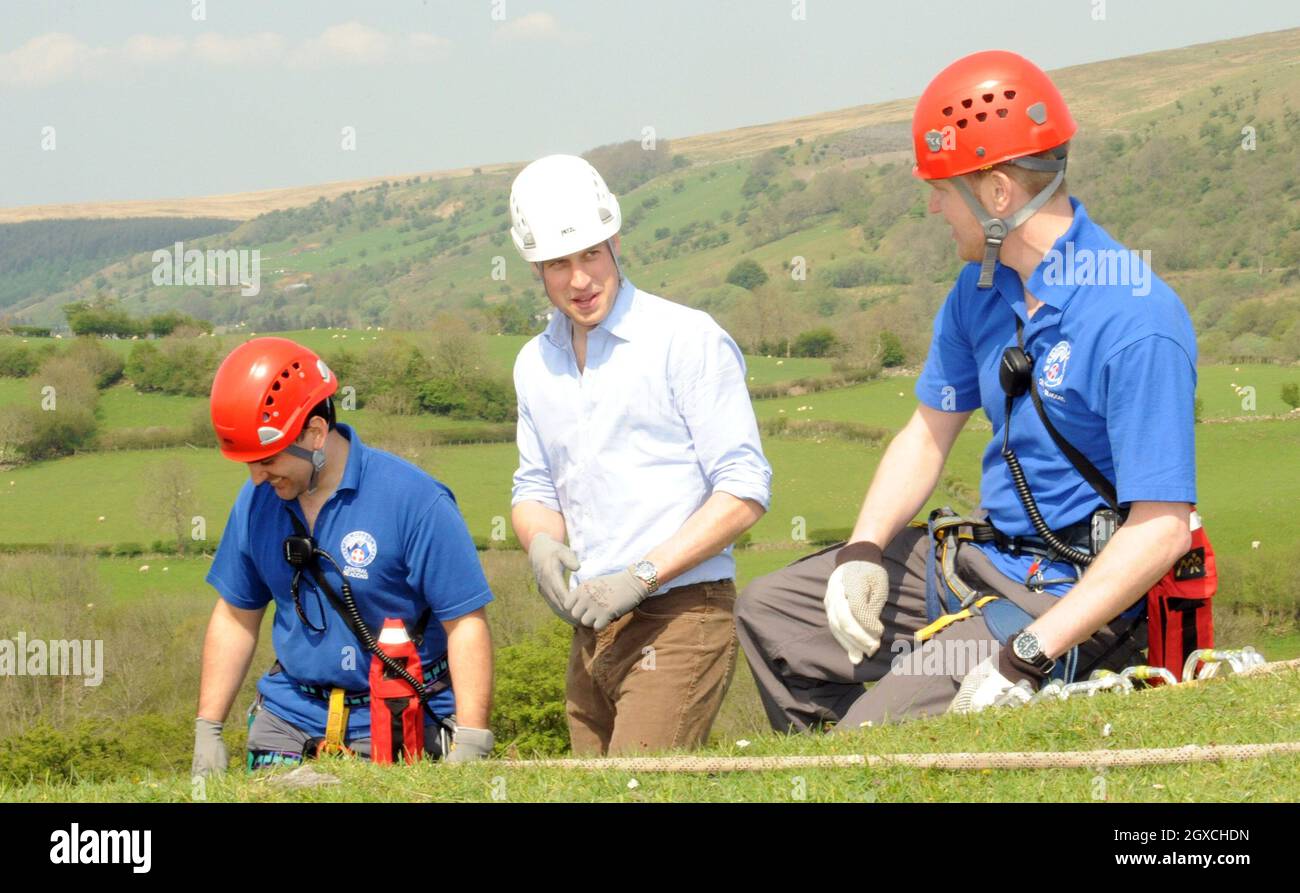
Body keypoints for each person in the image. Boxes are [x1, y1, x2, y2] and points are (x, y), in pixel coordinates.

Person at [736, 50, 1199, 732]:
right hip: (984, 557)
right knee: (770, 615)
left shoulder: (1135, 319)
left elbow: (1160, 529)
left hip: (1076, 594)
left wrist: (1029, 653)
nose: (930, 205)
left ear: (997, 193)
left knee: (873, 737)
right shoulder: (979, 291)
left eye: (942, 187)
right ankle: (854, 747)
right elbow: (928, 432)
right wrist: (864, 549)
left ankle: (871, 744)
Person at [508, 154, 772, 755]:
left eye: (591, 256)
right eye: (557, 264)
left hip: (681, 614)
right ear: (534, 268)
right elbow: (536, 486)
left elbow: (744, 486)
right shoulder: (535, 362)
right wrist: (540, 542)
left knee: (638, 788)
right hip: (590, 622)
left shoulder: (686, 339)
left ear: (615, 241)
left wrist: (642, 575)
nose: (579, 280)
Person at [191, 336, 495, 774]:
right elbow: (237, 615)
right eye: (248, 464)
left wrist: (471, 740)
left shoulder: (415, 502)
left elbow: (466, 623)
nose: (256, 478)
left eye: (267, 459)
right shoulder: (257, 501)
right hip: (290, 718)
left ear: (315, 433)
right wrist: (209, 728)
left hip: (398, 717)